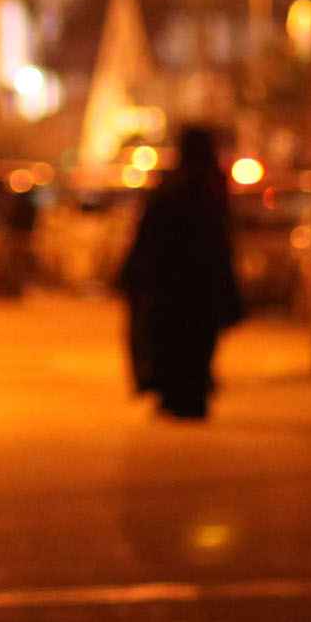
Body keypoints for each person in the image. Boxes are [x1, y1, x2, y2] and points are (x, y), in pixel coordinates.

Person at [115, 123, 244, 421]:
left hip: (173, 287)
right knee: (193, 343)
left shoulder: (176, 189)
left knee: (174, 341)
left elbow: (150, 239)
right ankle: (187, 396)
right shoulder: (210, 190)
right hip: (198, 287)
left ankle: (178, 396)